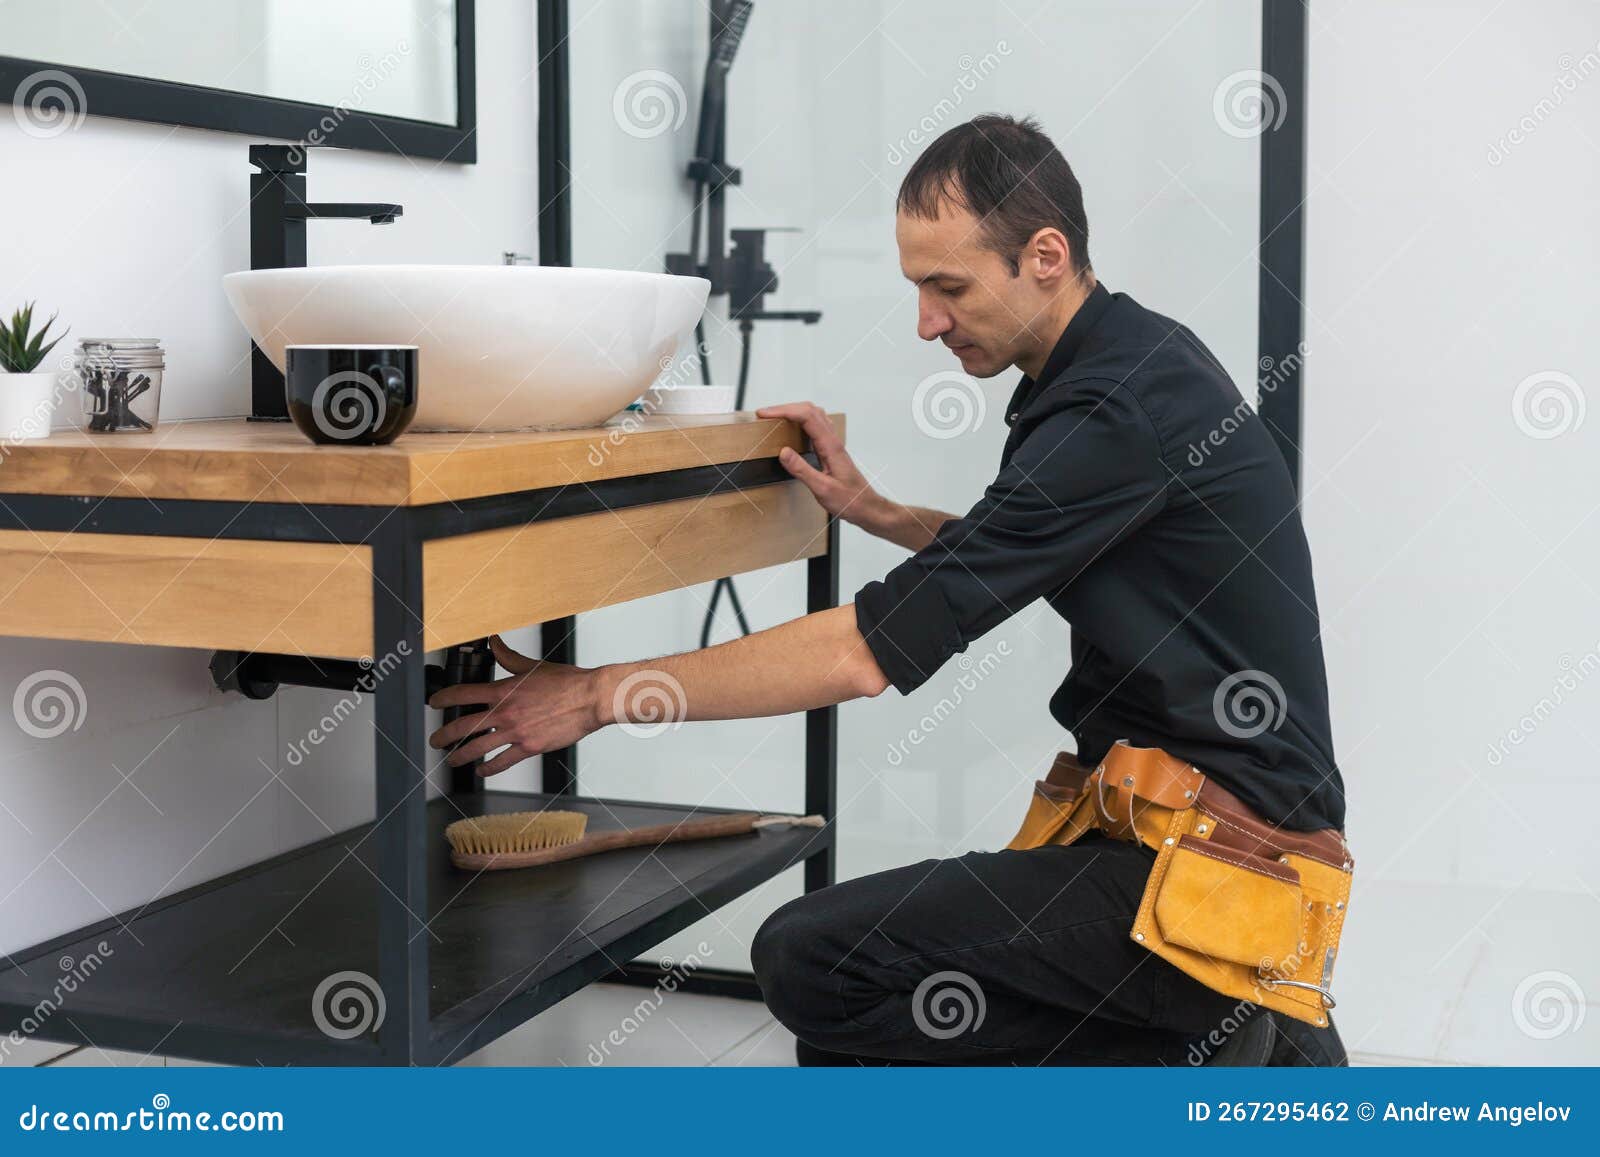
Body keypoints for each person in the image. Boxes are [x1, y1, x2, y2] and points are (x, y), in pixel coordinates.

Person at [426, 114, 1349, 1067]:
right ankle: (1220, 1048)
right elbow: (1013, 548)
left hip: (1221, 868)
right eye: (918, 288)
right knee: (857, 1006)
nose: (928, 322)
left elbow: (860, 654)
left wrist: (590, 694)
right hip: (1187, 840)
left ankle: (1223, 1039)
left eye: (948, 287)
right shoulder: (1122, 366)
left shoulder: (1112, 408)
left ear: (1045, 254)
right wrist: (871, 507)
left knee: (817, 961)